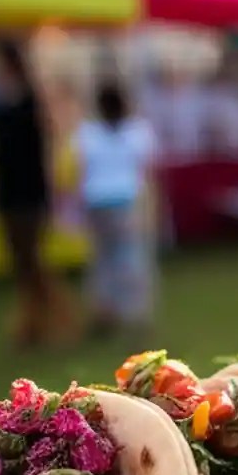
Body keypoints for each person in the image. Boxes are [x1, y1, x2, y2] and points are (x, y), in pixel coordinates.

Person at [0, 40, 67, 348]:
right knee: (22, 262)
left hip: (29, 190)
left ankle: (55, 318)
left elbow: (47, 140)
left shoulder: (30, 101)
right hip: (7, 188)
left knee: (32, 260)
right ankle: (35, 322)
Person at [74, 82, 156, 336]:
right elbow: (147, 169)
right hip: (126, 201)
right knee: (131, 261)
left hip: (97, 201)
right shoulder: (137, 131)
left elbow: (81, 168)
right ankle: (134, 315)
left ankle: (105, 312)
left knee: (103, 261)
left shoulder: (88, 133)